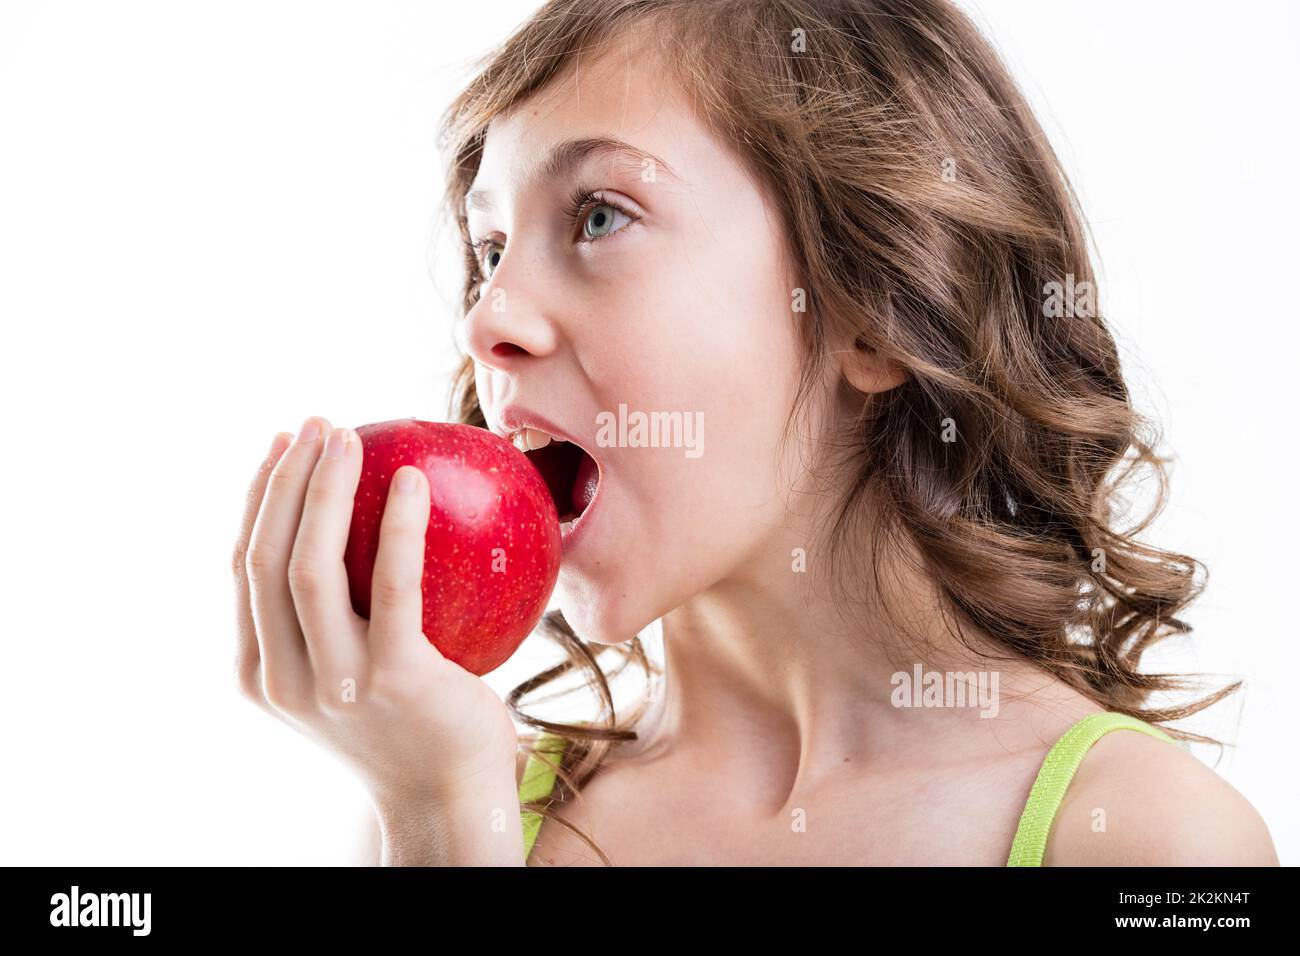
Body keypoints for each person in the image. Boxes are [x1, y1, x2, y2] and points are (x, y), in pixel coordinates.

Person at [231, 0, 1279, 866]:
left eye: (598, 215)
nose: (485, 318)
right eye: (491, 246)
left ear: (871, 307)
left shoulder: (1150, 841)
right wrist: (438, 824)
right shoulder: (474, 808)